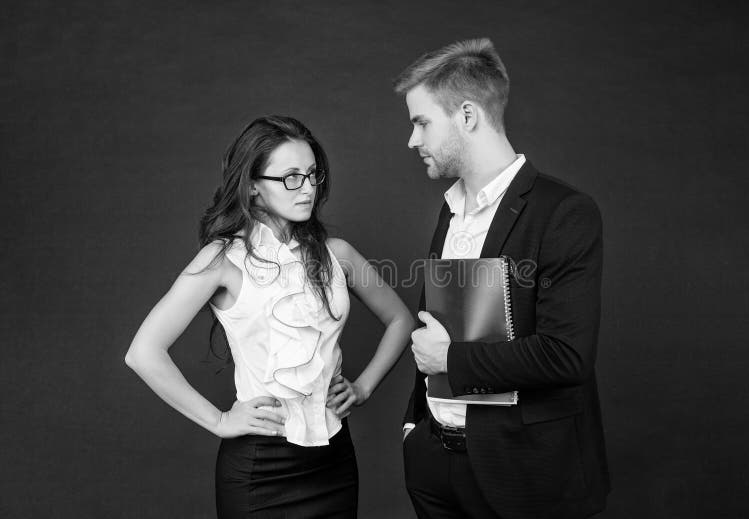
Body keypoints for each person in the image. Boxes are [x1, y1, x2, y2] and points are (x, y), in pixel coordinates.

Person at [125, 115, 414, 518]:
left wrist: (362, 388)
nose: (308, 188)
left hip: (334, 461)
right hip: (259, 468)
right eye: (291, 177)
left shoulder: (339, 255)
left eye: (313, 174)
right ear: (253, 186)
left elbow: (401, 320)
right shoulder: (223, 259)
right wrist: (220, 420)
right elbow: (144, 352)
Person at [394, 39, 611, 519]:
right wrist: (416, 431)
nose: (412, 140)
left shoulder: (563, 213)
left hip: (521, 477)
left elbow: (566, 355)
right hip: (435, 467)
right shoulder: (450, 212)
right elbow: (440, 324)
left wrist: (449, 359)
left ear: (467, 116)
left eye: (421, 122)